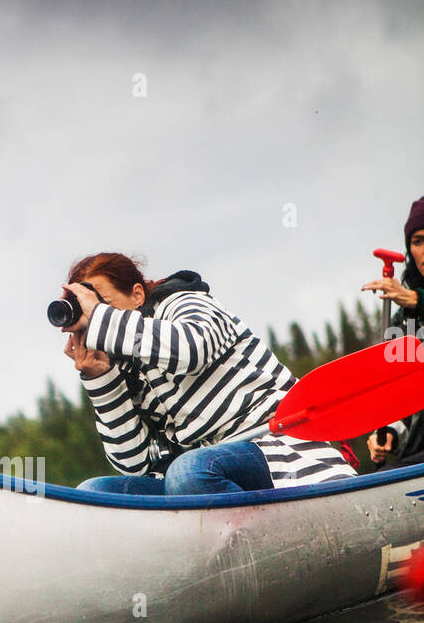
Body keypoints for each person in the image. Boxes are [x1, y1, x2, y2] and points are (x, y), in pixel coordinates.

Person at [61, 252, 356, 495]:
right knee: (95, 492)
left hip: (275, 445)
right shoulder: (124, 364)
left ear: (137, 294)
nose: (95, 319)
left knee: (188, 472)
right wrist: (103, 381)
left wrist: (101, 318)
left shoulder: (186, 302)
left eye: (104, 305)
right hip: (201, 479)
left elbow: (192, 350)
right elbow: (134, 464)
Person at [362, 195, 424, 468]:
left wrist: (417, 300)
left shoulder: (413, 302)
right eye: (418, 241)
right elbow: (400, 402)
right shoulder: (402, 321)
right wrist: (388, 433)